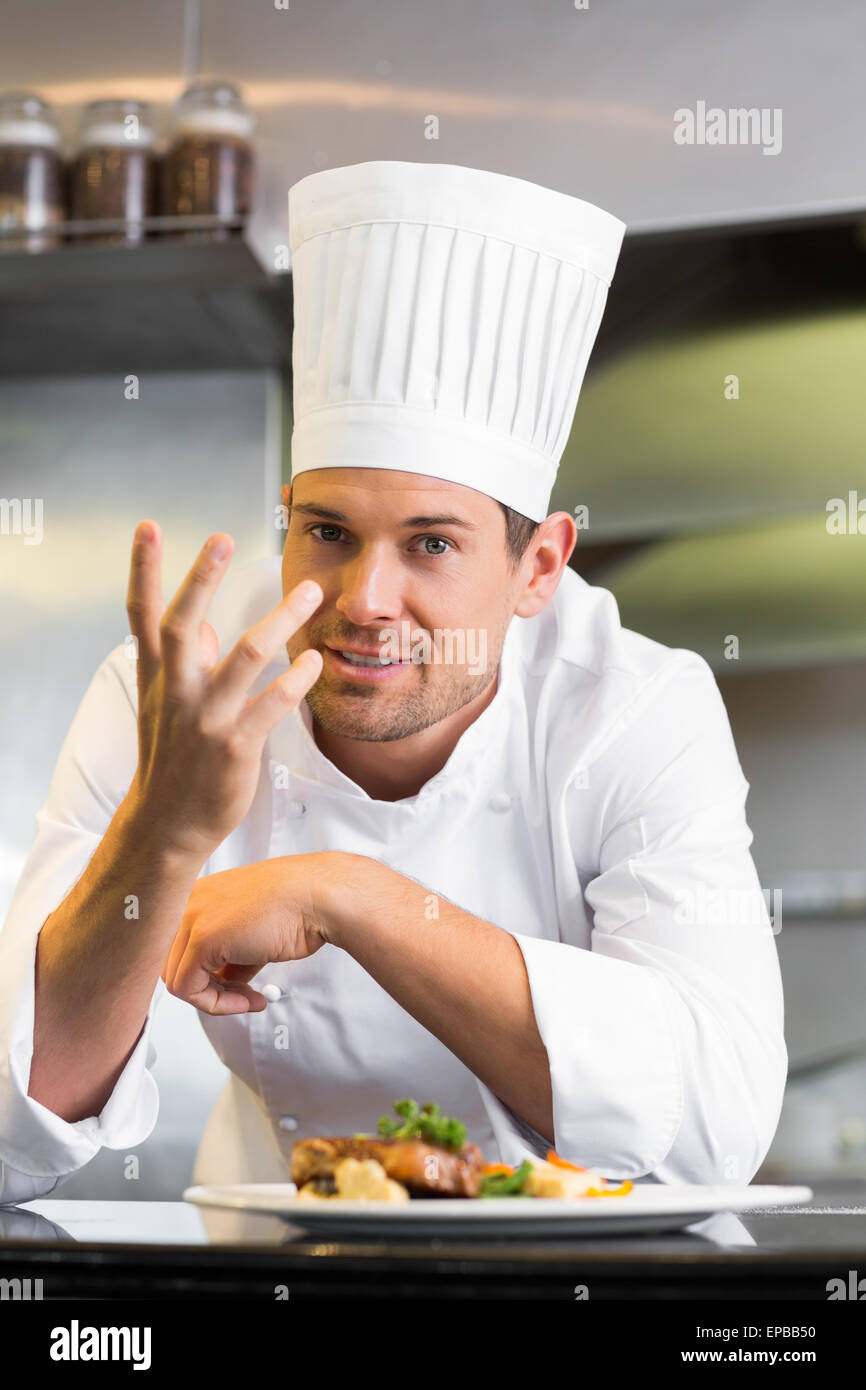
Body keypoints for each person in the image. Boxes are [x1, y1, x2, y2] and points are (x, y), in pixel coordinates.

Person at [0, 161, 786, 1204]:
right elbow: (13, 1141)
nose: (365, 600)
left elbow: (714, 1130)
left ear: (539, 568)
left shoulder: (633, 709)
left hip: (575, 1263)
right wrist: (165, 830)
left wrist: (351, 895)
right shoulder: (180, 690)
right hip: (277, 1255)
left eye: (430, 544)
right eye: (328, 532)